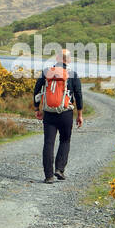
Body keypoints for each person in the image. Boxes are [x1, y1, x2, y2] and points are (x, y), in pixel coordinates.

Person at [33, 48, 83, 183]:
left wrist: (37, 108)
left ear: (57, 58)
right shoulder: (72, 74)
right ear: (69, 60)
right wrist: (80, 114)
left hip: (49, 113)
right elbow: (78, 95)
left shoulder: (46, 72)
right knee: (65, 140)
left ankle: (48, 176)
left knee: (48, 143)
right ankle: (59, 169)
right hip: (65, 113)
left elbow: (37, 90)